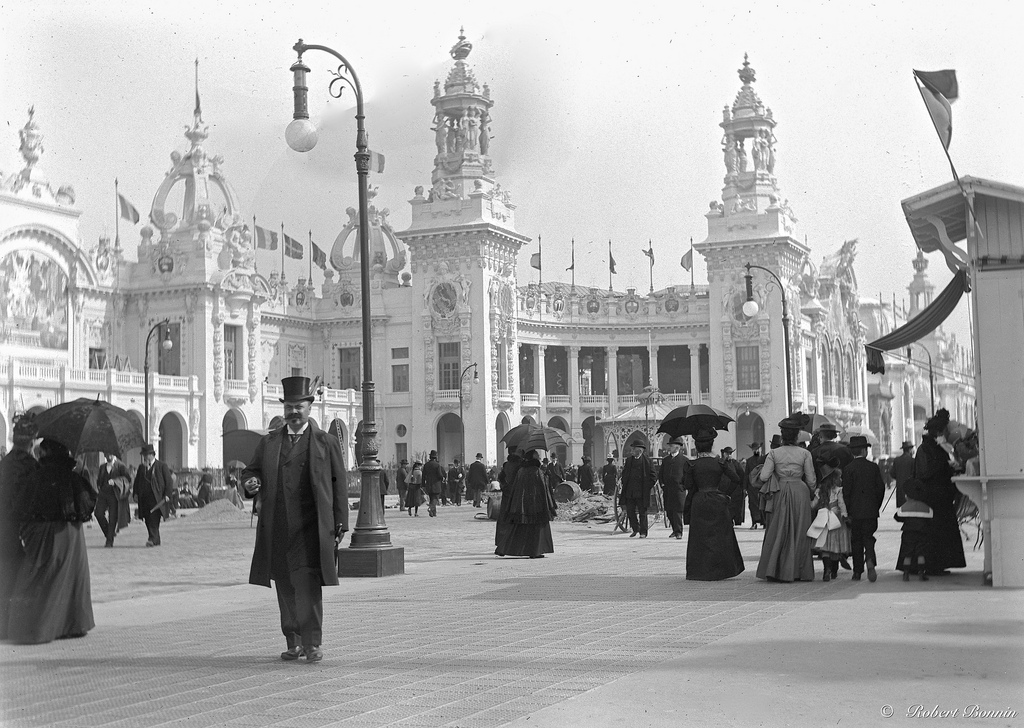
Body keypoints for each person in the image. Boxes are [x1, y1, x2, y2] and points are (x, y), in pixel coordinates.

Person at [242, 376, 349, 663]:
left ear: (309, 407)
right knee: (285, 584)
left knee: (307, 585)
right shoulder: (269, 443)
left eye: (299, 407)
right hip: (278, 526)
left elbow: (339, 483)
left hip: (311, 528)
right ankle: (293, 641)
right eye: (289, 407)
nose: (293, 412)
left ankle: (312, 643)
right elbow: (251, 471)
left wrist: (340, 522)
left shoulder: (325, 442)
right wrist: (250, 482)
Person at [8, 438, 95, 644]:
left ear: (47, 453)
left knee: (41, 578)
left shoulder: (37, 477)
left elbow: (22, 507)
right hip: (72, 533)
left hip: (47, 534)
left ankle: (37, 628)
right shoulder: (72, 477)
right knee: (72, 577)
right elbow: (87, 502)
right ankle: (73, 624)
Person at [756, 414, 817, 582]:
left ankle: (776, 569)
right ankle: (799, 571)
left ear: (782, 436)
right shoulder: (805, 453)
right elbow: (811, 480)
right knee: (800, 530)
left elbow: (763, 476)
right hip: (800, 491)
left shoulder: (774, 453)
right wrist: (811, 492)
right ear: (797, 436)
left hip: (779, 490)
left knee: (778, 529)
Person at [683, 428, 745, 580]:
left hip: (699, 501)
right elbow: (736, 479)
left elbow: (687, 485)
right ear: (712, 445)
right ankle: (722, 570)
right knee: (720, 536)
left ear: (696, 446)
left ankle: (700, 571)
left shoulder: (692, 464)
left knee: (699, 537)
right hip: (717, 500)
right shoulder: (720, 462)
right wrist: (725, 494)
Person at [0, 414, 40, 639]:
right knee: (20, 578)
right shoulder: (32, 467)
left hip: (3, 528)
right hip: (22, 530)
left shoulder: (4, 464)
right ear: (32, 442)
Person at [914, 409, 966, 575]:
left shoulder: (935, 447)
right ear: (938, 432)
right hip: (933, 497)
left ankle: (938, 564)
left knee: (940, 531)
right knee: (936, 532)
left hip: (939, 496)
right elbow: (925, 472)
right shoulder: (926, 448)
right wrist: (946, 467)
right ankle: (932, 566)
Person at [494, 449, 556, 558]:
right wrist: (547, 476)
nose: (539, 457)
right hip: (536, 504)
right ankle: (535, 551)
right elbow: (543, 488)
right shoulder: (537, 471)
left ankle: (503, 548)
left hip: (522, 504)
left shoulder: (521, 470)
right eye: (537, 455)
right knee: (536, 528)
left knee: (518, 528)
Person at [842, 435, 886, 582]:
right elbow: (880, 489)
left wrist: (848, 511)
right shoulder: (873, 467)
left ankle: (857, 572)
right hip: (870, 511)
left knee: (856, 541)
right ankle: (870, 559)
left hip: (855, 512)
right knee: (869, 537)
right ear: (864, 451)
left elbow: (846, 493)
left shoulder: (848, 469)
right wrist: (876, 505)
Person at [812, 456, 850, 583]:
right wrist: (844, 514)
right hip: (835, 519)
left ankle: (826, 570)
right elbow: (841, 504)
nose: (841, 479)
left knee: (825, 547)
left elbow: (813, 505)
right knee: (835, 547)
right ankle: (834, 570)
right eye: (839, 477)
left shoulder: (820, 490)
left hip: (823, 519)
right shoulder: (838, 490)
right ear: (834, 478)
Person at [132, 444, 174, 547]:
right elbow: (137, 482)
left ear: (152, 455)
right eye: (144, 455)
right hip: (144, 498)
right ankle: (156, 539)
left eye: (146, 455)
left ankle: (152, 539)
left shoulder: (161, 466)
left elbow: (169, 481)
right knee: (147, 518)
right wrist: (135, 493)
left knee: (154, 518)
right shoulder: (142, 467)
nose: (145, 457)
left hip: (156, 498)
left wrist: (167, 494)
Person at [619, 441, 655, 538]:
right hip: (630, 491)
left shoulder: (647, 461)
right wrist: (624, 481)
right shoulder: (629, 460)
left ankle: (643, 532)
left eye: (633, 449)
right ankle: (636, 528)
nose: (631, 451)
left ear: (640, 451)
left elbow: (653, 476)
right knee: (630, 511)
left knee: (642, 512)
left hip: (642, 492)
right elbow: (624, 473)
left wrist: (647, 487)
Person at [95, 452, 131, 548]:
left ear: (114, 455)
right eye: (106, 455)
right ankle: (109, 533)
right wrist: (98, 485)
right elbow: (99, 480)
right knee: (98, 513)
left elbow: (127, 479)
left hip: (114, 495)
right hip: (103, 494)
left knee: (112, 517)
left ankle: (109, 541)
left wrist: (115, 482)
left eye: (110, 454)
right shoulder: (102, 467)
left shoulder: (121, 466)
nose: (108, 456)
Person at [659, 437, 687, 539]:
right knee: (669, 511)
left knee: (678, 511)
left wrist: (684, 486)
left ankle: (679, 532)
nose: (669, 447)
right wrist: (662, 484)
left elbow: (688, 475)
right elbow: (661, 474)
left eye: (671, 446)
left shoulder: (684, 460)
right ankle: (675, 530)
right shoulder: (666, 460)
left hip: (679, 490)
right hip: (667, 489)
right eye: (669, 446)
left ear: (677, 447)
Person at [495, 444, 521, 547]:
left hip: (507, 494)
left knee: (504, 519)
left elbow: (501, 478)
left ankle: (502, 542)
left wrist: (505, 487)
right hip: (516, 494)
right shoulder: (519, 465)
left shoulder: (506, 465)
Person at [719, 446, 746, 526]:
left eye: (730, 453)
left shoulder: (735, 464)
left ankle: (732, 520)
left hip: (734, 490)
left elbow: (742, 476)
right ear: (724, 454)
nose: (729, 455)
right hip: (722, 489)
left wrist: (743, 488)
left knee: (733, 507)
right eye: (727, 453)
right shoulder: (720, 463)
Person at [744, 442, 766, 529]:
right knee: (752, 505)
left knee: (764, 504)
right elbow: (746, 474)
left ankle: (765, 522)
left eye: (757, 448)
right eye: (754, 449)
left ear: (761, 449)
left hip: (763, 486)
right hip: (752, 486)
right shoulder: (749, 461)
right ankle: (754, 522)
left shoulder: (765, 459)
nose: (756, 450)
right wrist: (745, 487)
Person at [890, 441, 916, 508]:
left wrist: (899, 477)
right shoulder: (913, 461)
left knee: (901, 509)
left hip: (900, 489)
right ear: (910, 450)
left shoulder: (897, 460)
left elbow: (892, 473)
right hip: (910, 490)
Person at [422, 451, 445, 517]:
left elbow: (423, 476)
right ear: (436, 457)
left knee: (431, 498)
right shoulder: (437, 465)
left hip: (428, 484)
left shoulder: (426, 465)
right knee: (435, 498)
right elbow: (439, 475)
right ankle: (431, 507)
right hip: (436, 484)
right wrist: (442, 478)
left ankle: (433, 512)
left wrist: (423, 484)